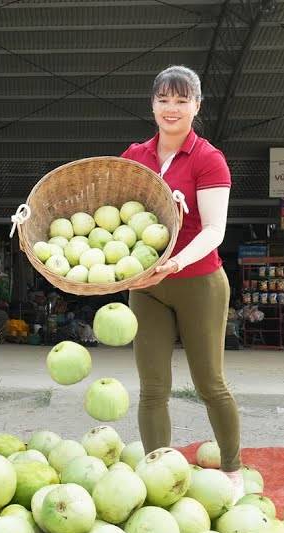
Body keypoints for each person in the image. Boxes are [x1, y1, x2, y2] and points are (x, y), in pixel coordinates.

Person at [120, 65, 244, 496]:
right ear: (152, 104)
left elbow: (215, 230)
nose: (171, 108)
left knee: (210, 383)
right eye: (163, 99)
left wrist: (174, 263)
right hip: (147, 286)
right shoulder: (134, 157)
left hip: (199, 281)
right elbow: (120, 216)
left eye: (181, 99)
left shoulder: (208, 159)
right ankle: (159, 476)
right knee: (153, 387)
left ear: (197, 105)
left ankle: (232, 471)